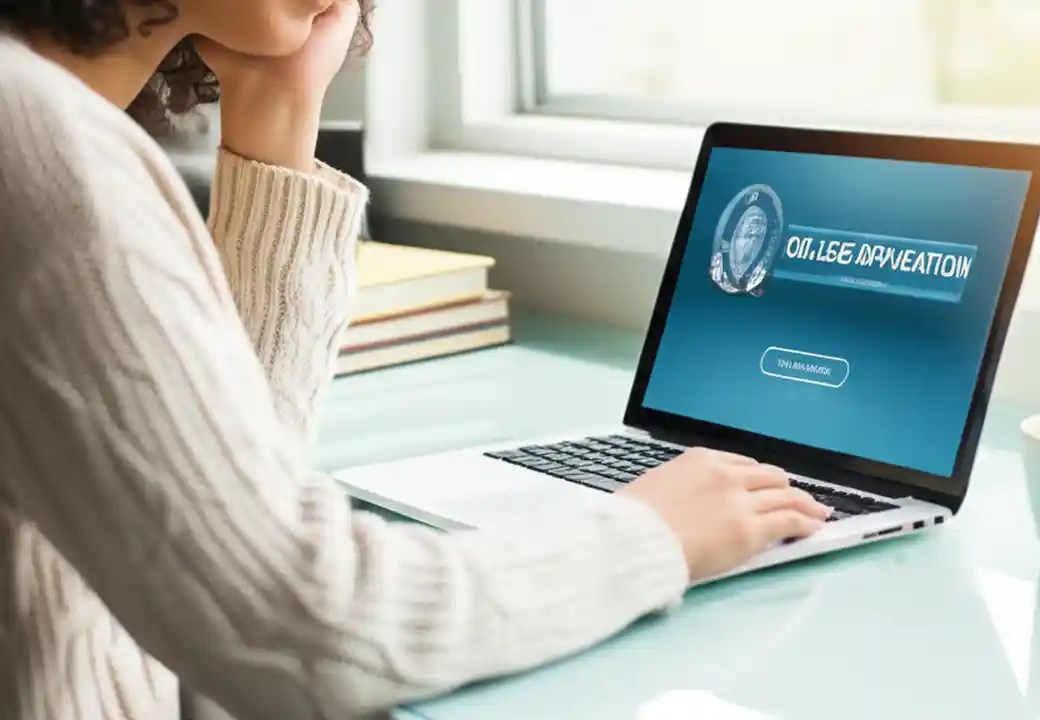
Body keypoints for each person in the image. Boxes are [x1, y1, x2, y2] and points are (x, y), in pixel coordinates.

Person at [0, 1, 832, 718]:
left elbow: (204, 532)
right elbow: (298, 626)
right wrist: (653, 535)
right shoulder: (39, 145)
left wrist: (279, 116)